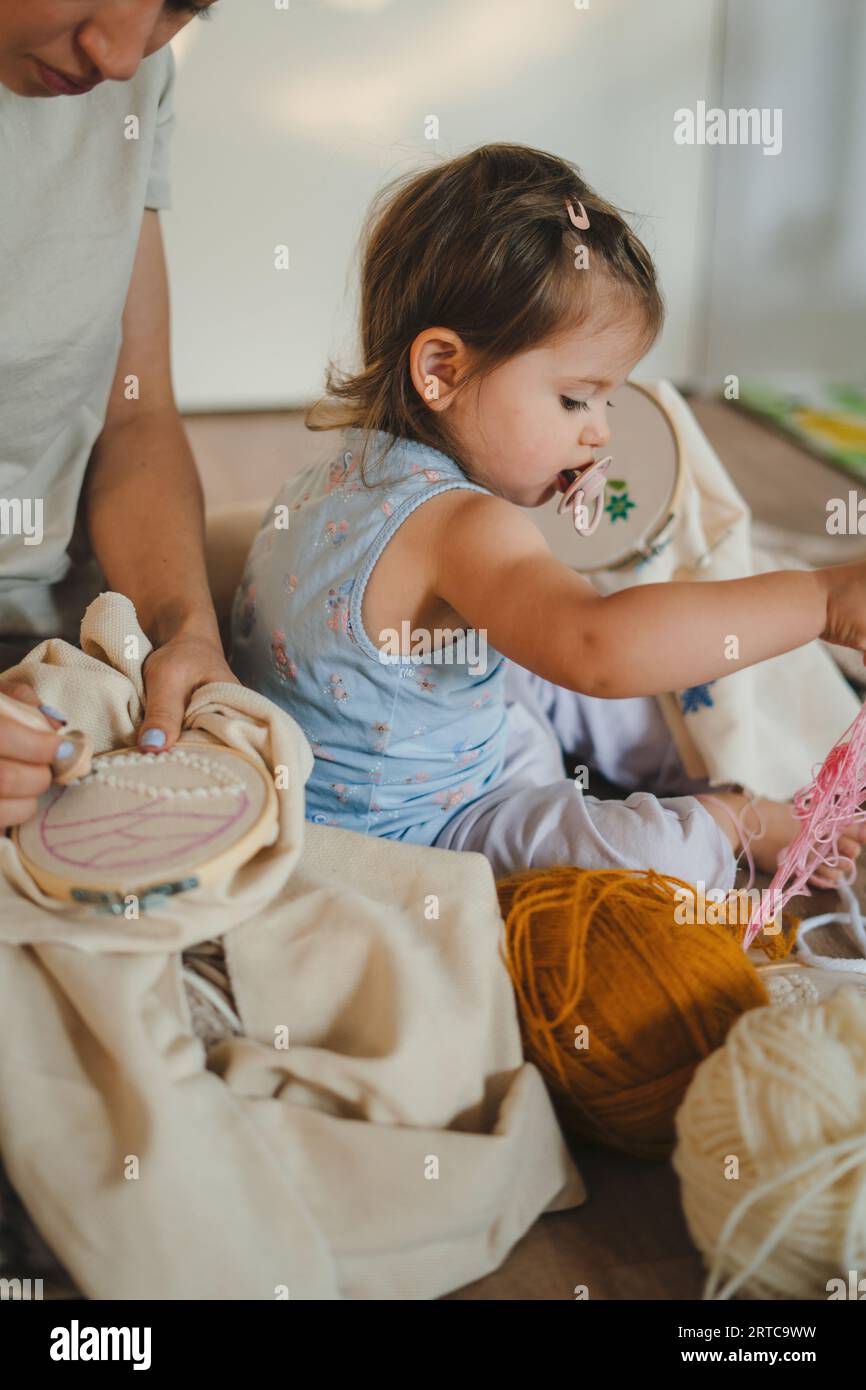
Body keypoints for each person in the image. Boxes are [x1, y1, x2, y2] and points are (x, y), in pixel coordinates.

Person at [229, 143, 866, 894]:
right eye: (574, 399)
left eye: (608, 400)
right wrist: (821, 599)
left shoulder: (337, 475)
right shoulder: (460, 527)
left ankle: (698, 750)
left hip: (428, 730)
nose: (598, 432)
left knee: (565, 643)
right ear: (441, 369)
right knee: (654, 858)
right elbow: (596, 650)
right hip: (418, 829)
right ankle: (732, 814)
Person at [0, 0, 232, 831]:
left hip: (49, 620)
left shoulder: (128, 87)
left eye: (183, 5)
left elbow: (135, 418)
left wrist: (186, 634)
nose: (123, 56)